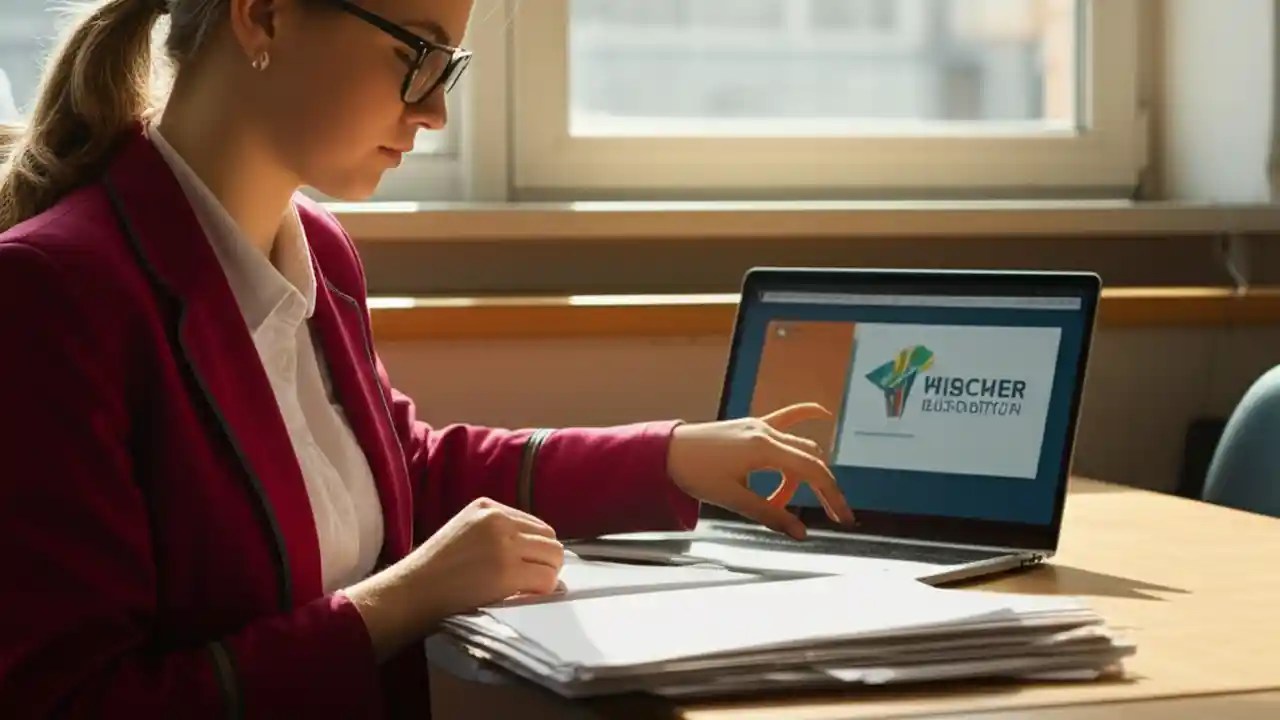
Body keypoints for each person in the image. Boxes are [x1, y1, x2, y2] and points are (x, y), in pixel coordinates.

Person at [0, 1, 854, 717]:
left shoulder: (320, 253)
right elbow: (77, 702)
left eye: (452, 64)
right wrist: (400, 603)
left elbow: (404, 475)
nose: (436, 110)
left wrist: (670, 456)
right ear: (263, 17)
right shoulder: (54, 294)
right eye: (417, 53)